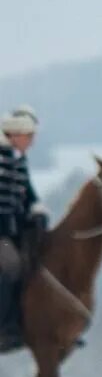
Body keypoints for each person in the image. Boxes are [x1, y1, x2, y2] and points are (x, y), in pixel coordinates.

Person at [0, 105, 47, 346]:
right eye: (29, 136)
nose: (32, 141)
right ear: (15, 135)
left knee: (35, 263)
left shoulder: (18, 160)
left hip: (12, 229)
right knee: (12, 265)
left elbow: (28, 194)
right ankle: (4, 326)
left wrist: (37, 212)